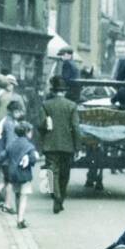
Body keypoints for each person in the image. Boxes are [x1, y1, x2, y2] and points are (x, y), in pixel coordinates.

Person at [40, 75, 82, 214]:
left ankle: (56, 196)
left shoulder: (46, 105)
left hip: (50, 145)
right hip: (67, 145)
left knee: (52, 172)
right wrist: (78, 147)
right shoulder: (72, 105)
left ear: (53, 91)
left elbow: (41, 125)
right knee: (65, 174)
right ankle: (61, 199)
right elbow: (76, 127)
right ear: (64, 91)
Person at [2, 120, 39, 229]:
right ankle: (20, 220)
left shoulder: (12, 144)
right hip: (24, 175)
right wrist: (32, 157)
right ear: (27, 132)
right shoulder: (29, 146)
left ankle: (19, 217)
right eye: (30, 132)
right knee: (23, 196)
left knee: (17, 195)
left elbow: (2, 156)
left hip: (13, 174)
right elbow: (32, 159)